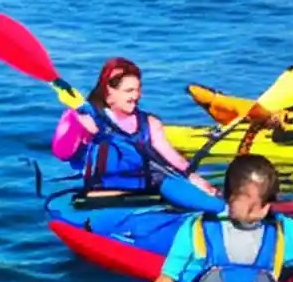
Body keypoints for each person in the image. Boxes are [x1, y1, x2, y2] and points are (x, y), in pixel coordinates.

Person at [143, 154, 293, 282]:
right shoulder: (197, 227)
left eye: (262, 205)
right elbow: (167, 278)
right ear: (227, 197)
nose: (262, 212)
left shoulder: (284, 229)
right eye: (248, 206)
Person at [51, 57, 216, 195]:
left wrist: (196, 179)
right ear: (109, 92)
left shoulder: (150, 123)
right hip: (99, 196)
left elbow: (174, 159)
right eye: (129, 91)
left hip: (143, 193)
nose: (136, 96)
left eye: (138, 89)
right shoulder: (87, 119)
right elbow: (62, 153)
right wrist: (76, 124)